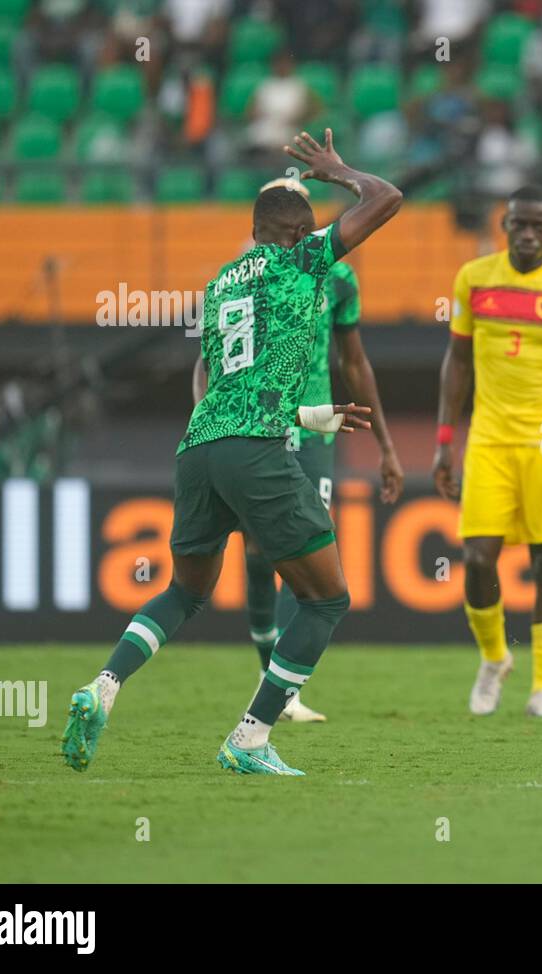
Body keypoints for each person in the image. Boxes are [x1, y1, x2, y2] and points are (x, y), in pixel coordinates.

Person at [61, 130, 403, 776]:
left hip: (199, 446)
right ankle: (250, 737)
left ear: (254, 229)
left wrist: (310, 413)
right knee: (328, 599)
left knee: (184, 593)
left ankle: (102, 686)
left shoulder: (221, 286)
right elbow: (388, 198)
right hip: (255, 450)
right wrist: (338, 171)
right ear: (301, 235)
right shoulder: (306, 262)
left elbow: (225, 382)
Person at [191, 177, 405, 723]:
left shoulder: (336, 276)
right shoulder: (241, 275)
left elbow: (354, 362)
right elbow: (207, 365)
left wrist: (385, 443)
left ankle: (281, 691)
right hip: (256, 425)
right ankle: (271, 675)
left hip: (316, 426)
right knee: (260, 558)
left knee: (304, 552)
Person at [433, 184, 542, 719]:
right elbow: (457, 361)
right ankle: (494, 658)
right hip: (488, 437)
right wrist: (444, 441)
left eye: (539, 225)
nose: (528, 234)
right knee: (479, 558)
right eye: (519, 224)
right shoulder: (473, 278)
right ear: (503, 226)